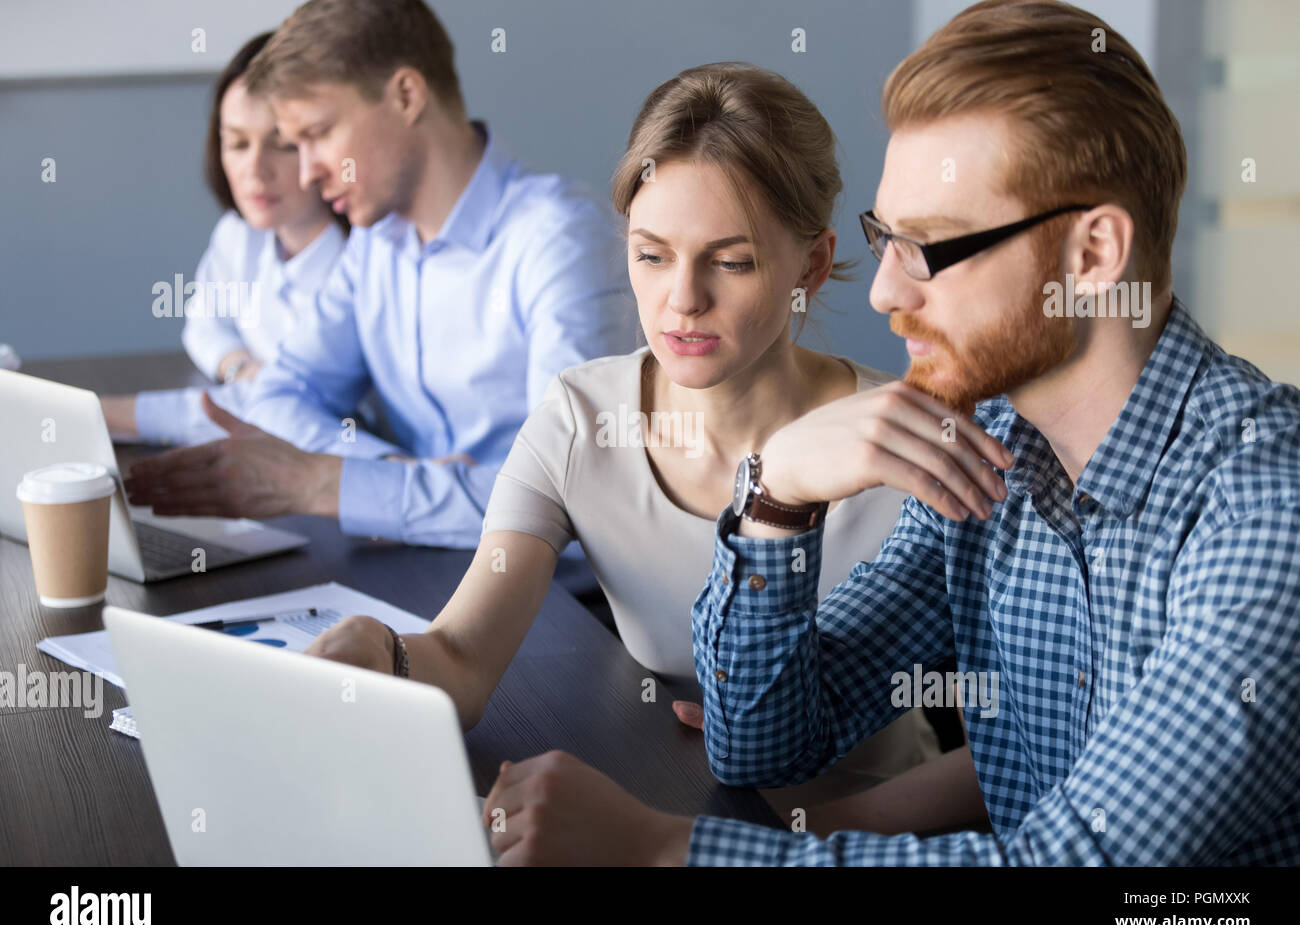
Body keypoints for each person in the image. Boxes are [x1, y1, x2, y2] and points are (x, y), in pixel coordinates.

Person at [476, 0, 1300, 866]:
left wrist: (661, 851)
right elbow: (764, 745)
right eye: (886, 239)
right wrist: (776, 496)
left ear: (1091, 257)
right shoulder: (992, 449)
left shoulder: (1265, 506)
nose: (883, 295)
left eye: (932, 249)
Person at [304, 62, 990, 826]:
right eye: (652, 254)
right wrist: (382, 655)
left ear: (814, 264)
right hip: (679, 806)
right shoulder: (578, 419)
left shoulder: (908, 445)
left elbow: (1006, 749)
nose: (683, 299)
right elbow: (462, 656)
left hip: (865, 839)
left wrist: (772, 844)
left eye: (732, 262)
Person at [122, 0, 636, 564]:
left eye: (316, 134)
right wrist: (389, 474)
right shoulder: (375, 244)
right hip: (421, 562)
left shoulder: (559, 241)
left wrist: (325, 483)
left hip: (558, 608)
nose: (307, 171)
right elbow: (278, 394)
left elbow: (562, 498)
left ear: (406, 96)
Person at [100, 32, 347, 446]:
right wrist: (241, 369)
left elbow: (297, 408)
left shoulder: (362, 260)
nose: (255, 169)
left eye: (282, 145)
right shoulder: (240, 233)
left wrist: (106, 415)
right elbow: (204, 324)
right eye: (236, 143)